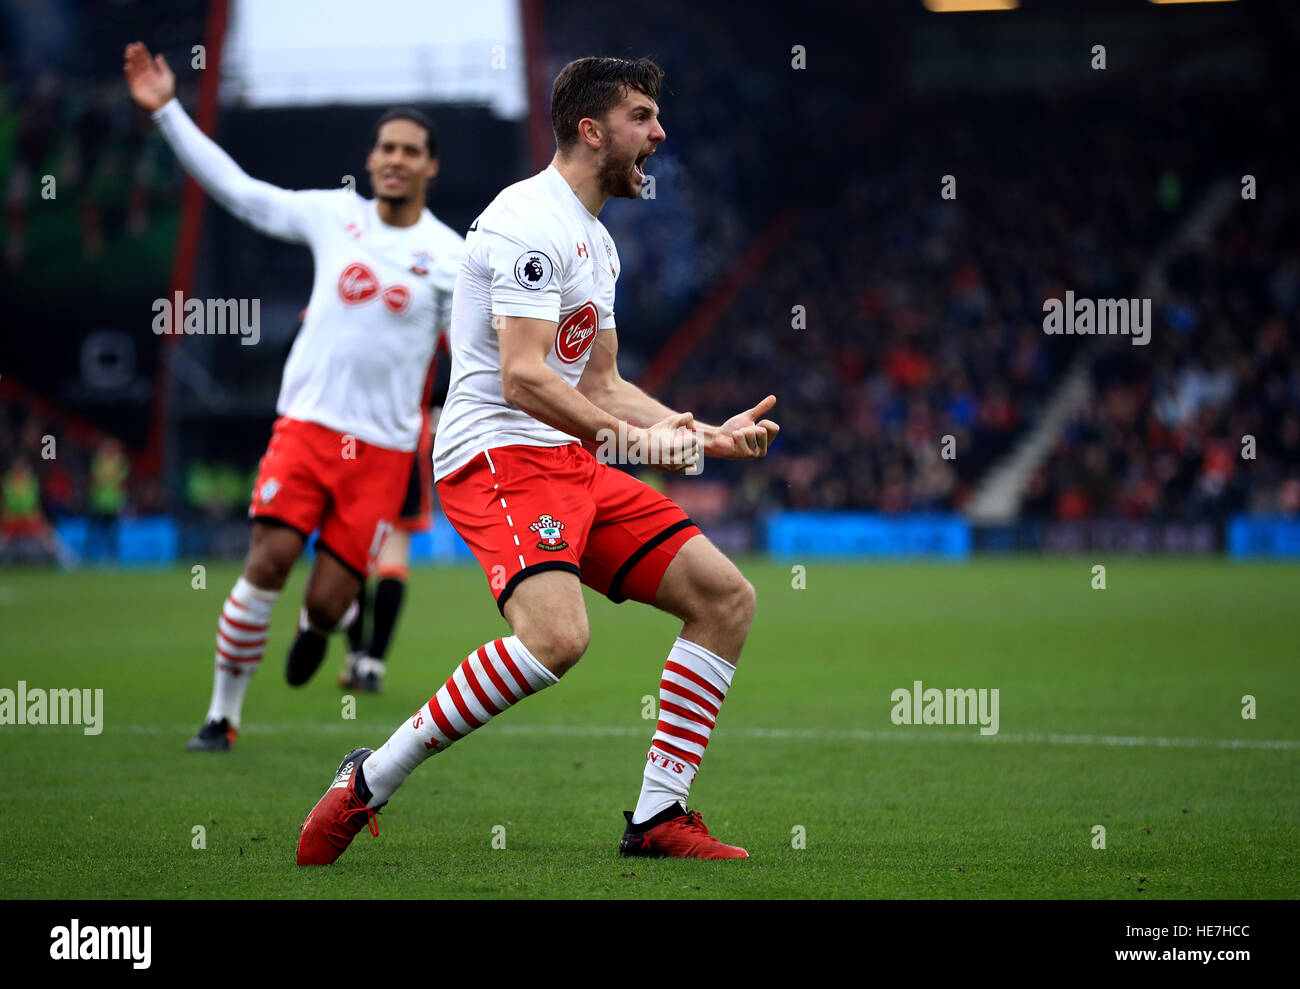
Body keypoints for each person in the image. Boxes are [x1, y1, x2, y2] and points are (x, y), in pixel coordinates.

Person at [298, 56, 779, 864]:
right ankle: (370, 777)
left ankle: (658, 816)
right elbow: (522, 378)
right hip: (496, 455)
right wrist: (631, 443)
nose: (660, 133)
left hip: (565, 458)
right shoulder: (527, 221)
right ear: (592, 131)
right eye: (642, 117)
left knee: (725, 598)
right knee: (556, 638)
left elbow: (604, 384)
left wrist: (698, 434)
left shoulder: (596, 241)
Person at [123, 42, 464, 751]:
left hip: (382, 453)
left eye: (411, 149)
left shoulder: (452, 259)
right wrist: (168, 116)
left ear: (431, 166)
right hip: (306, 429)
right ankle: (222, 717)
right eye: (386, 147)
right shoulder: (332, 216)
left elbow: (473, 354)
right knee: (269, 558)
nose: (395, 158)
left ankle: (321, 627)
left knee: (331, 601)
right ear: (371, 160)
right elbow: (242, 192)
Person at [339, 334, 448, 694]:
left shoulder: (346, 304)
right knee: (393, 558)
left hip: (351, 443)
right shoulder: (429, 307)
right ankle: (373, 663)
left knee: (350, 554)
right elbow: (451, 370)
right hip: (403, 446)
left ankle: (356, 656)